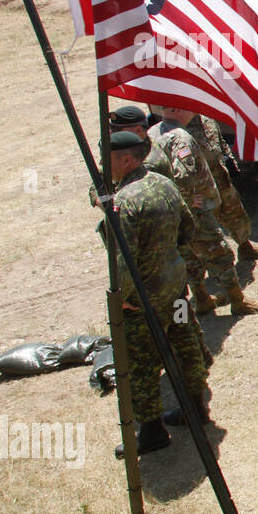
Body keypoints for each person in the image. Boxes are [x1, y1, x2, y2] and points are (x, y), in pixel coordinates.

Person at [100, 131, 210, 457]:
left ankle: (151, 431)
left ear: (126, 159)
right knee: (185, 341)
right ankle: (196, 407)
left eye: (108, 160)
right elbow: (187, 228)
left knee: (141, 361)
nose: (104, 167)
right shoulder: (165, 184)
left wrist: (122, 296)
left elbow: (124, 259)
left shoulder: (125, 201)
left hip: (143, 299)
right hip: (174, 287)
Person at [149, 104, 258, 316]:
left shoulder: (153, 133)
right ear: (176, 108)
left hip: (178, 208)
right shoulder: (179, 137)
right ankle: (237, 301)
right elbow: (184, 175)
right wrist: (187, 198)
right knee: (219, 252)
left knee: (189, 255)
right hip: (196, 208)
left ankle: (202, 298)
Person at [184, 113, 258, 262]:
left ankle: (245, 246)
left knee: (236, 213)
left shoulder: (207, 118)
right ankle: (216, 264)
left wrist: (230, 160)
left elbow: (221, 141)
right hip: (200, 186)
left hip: (221, 178)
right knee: (207, 227)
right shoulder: (178, 130)